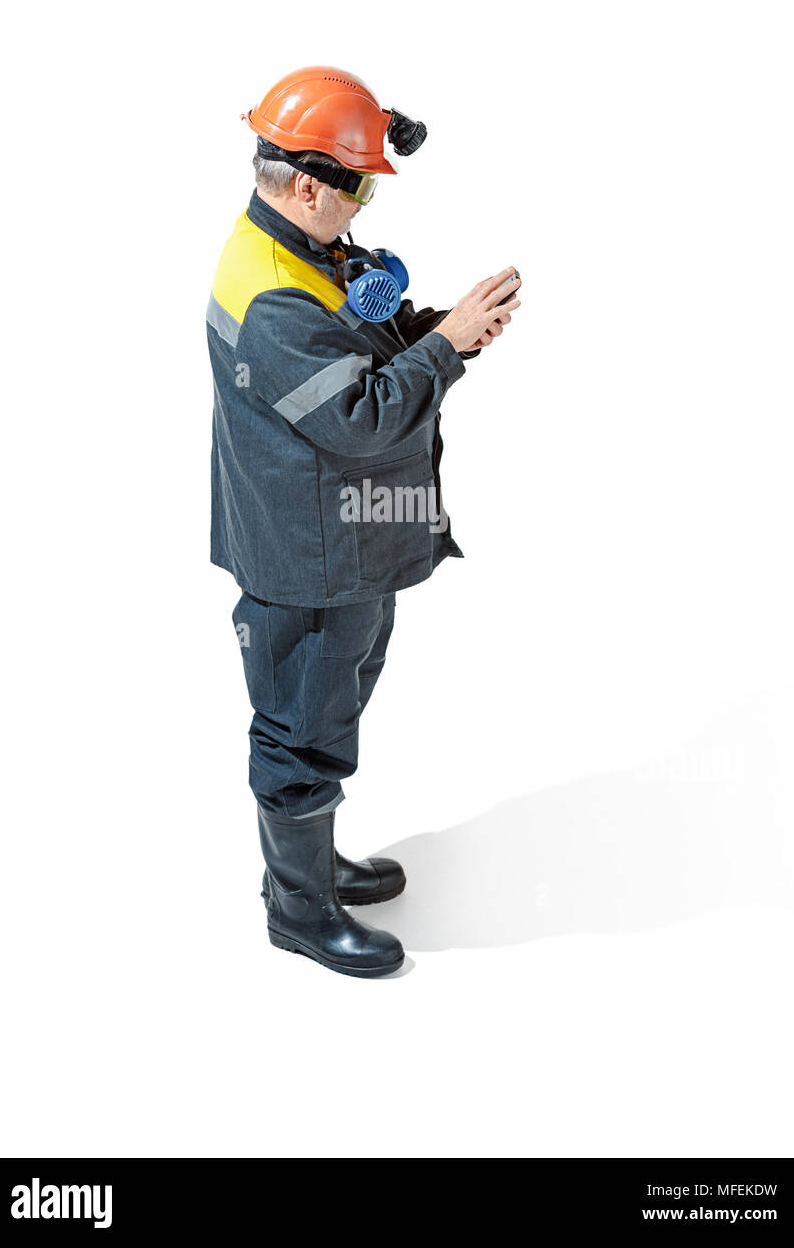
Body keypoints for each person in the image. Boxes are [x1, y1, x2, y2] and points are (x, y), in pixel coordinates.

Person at [206, 66, 521, 978]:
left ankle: (313, 863)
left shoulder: (299, 251)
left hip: (340, 541)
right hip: (306, 555)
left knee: (332, 701)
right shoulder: (271, 294)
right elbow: (362, 418)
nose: (368, 202)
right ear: (308, 183)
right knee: (302, 721)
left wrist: (432, 329)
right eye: (361, 185)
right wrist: (446, 346)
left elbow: (356, 353)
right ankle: (299, 909)